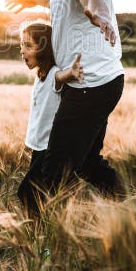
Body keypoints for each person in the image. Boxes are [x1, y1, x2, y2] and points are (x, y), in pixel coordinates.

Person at [6, 0, 125, 198]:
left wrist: (99, 14)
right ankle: (122, 205)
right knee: (85, 163)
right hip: (97, 80)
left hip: (90, 85)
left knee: (45, 180)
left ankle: (38, 238)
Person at [17, 21, 84, 213]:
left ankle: (38, 231)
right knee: (38, 193)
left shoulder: (53, 73)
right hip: (38, 145)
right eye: (21, 45)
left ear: (45, 49)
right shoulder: (41, 76)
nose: (22, 50)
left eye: (28, 46)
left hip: (48, 147)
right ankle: (42, 229)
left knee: (27, 192)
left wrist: (71, 72)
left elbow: (60, 77)